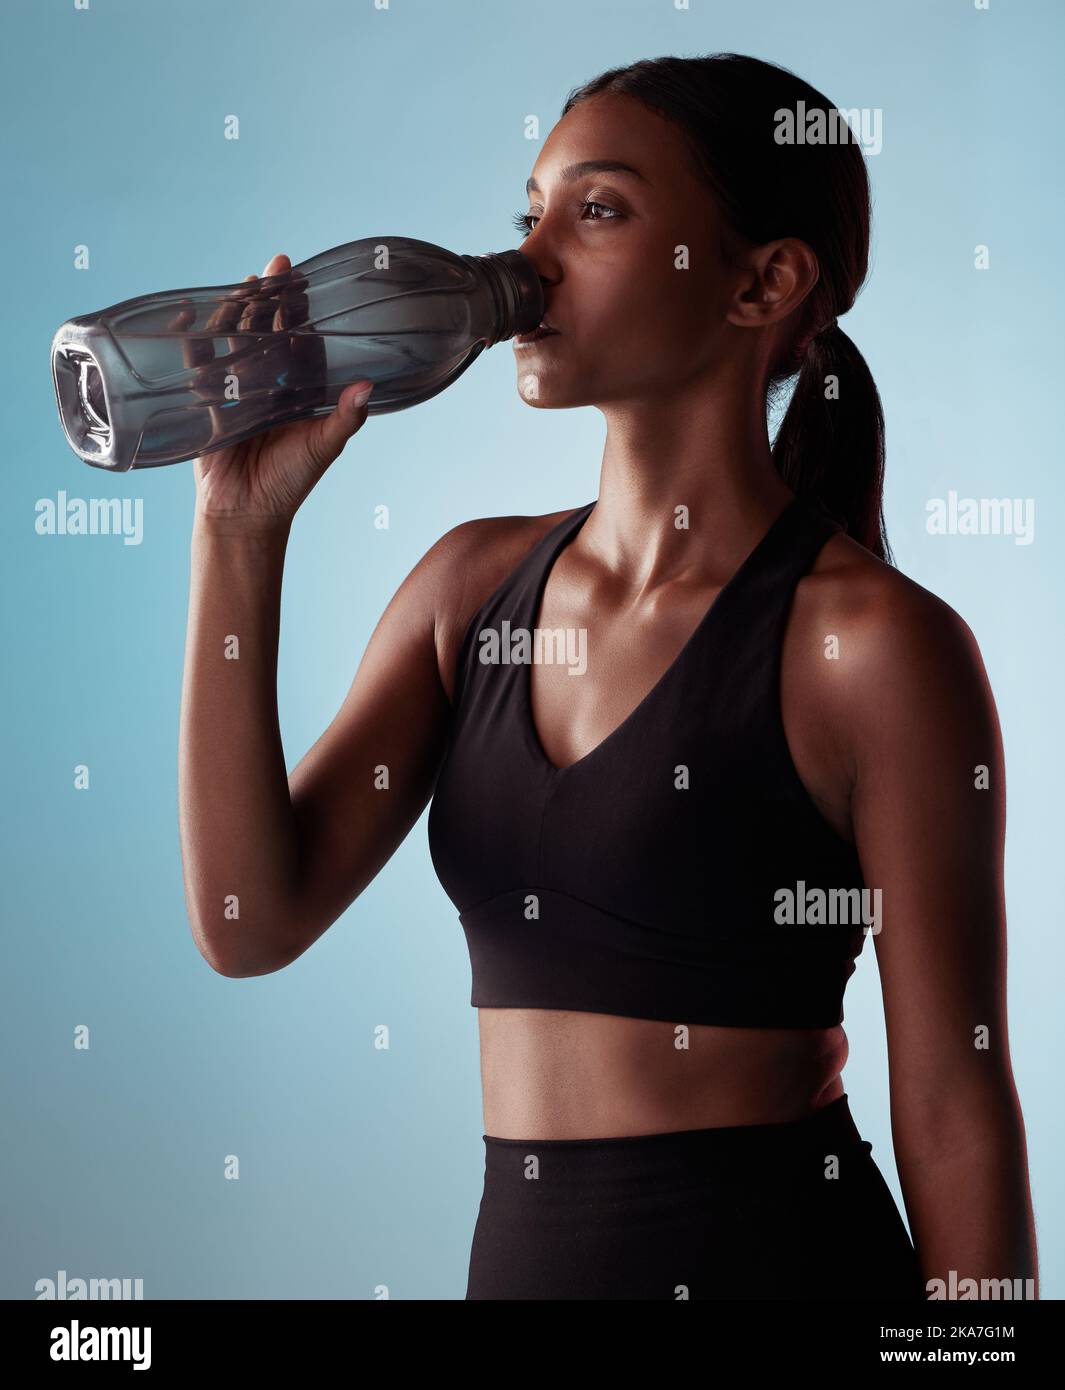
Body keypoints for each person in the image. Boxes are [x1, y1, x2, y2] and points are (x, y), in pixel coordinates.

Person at [178, 53, 1037, 1300]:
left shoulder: (873, 646)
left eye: (599, 209)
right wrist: (237, 535)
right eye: (529, 213)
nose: (529, 263)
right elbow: (249, 923)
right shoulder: (467, 594)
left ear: (762, 282)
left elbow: (957, 1104)